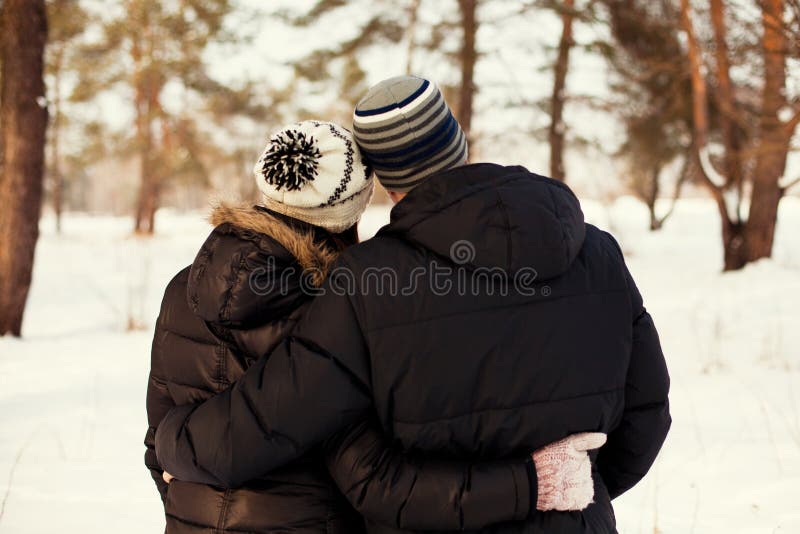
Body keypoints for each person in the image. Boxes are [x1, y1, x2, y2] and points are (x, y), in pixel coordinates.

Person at [156, 77, 671, 533]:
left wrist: (173, 443)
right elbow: (646, 414)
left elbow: (362, 474)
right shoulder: (598, 251)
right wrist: (576, 496)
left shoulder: (367, 282)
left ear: (382, 179)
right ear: (460, 142)